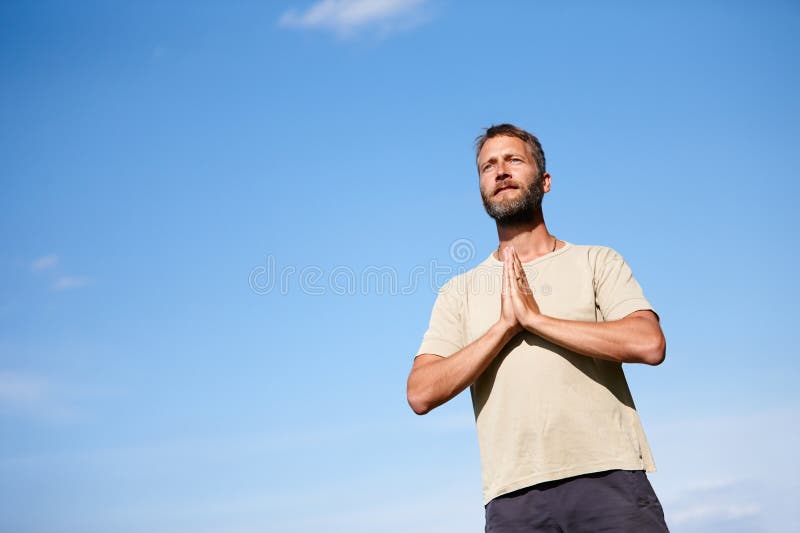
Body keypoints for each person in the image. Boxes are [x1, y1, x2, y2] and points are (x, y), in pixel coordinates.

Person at [406, 124, 669, 532]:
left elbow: (649, 343)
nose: (500, 171)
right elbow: (421, 392)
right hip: (513, 498)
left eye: (513, 159)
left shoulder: (597, 261)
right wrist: (504, 328)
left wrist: (538, 321)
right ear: (481, 189)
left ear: (545, 182)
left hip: (610, 477)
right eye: (488, 166)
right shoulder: (458, 292)